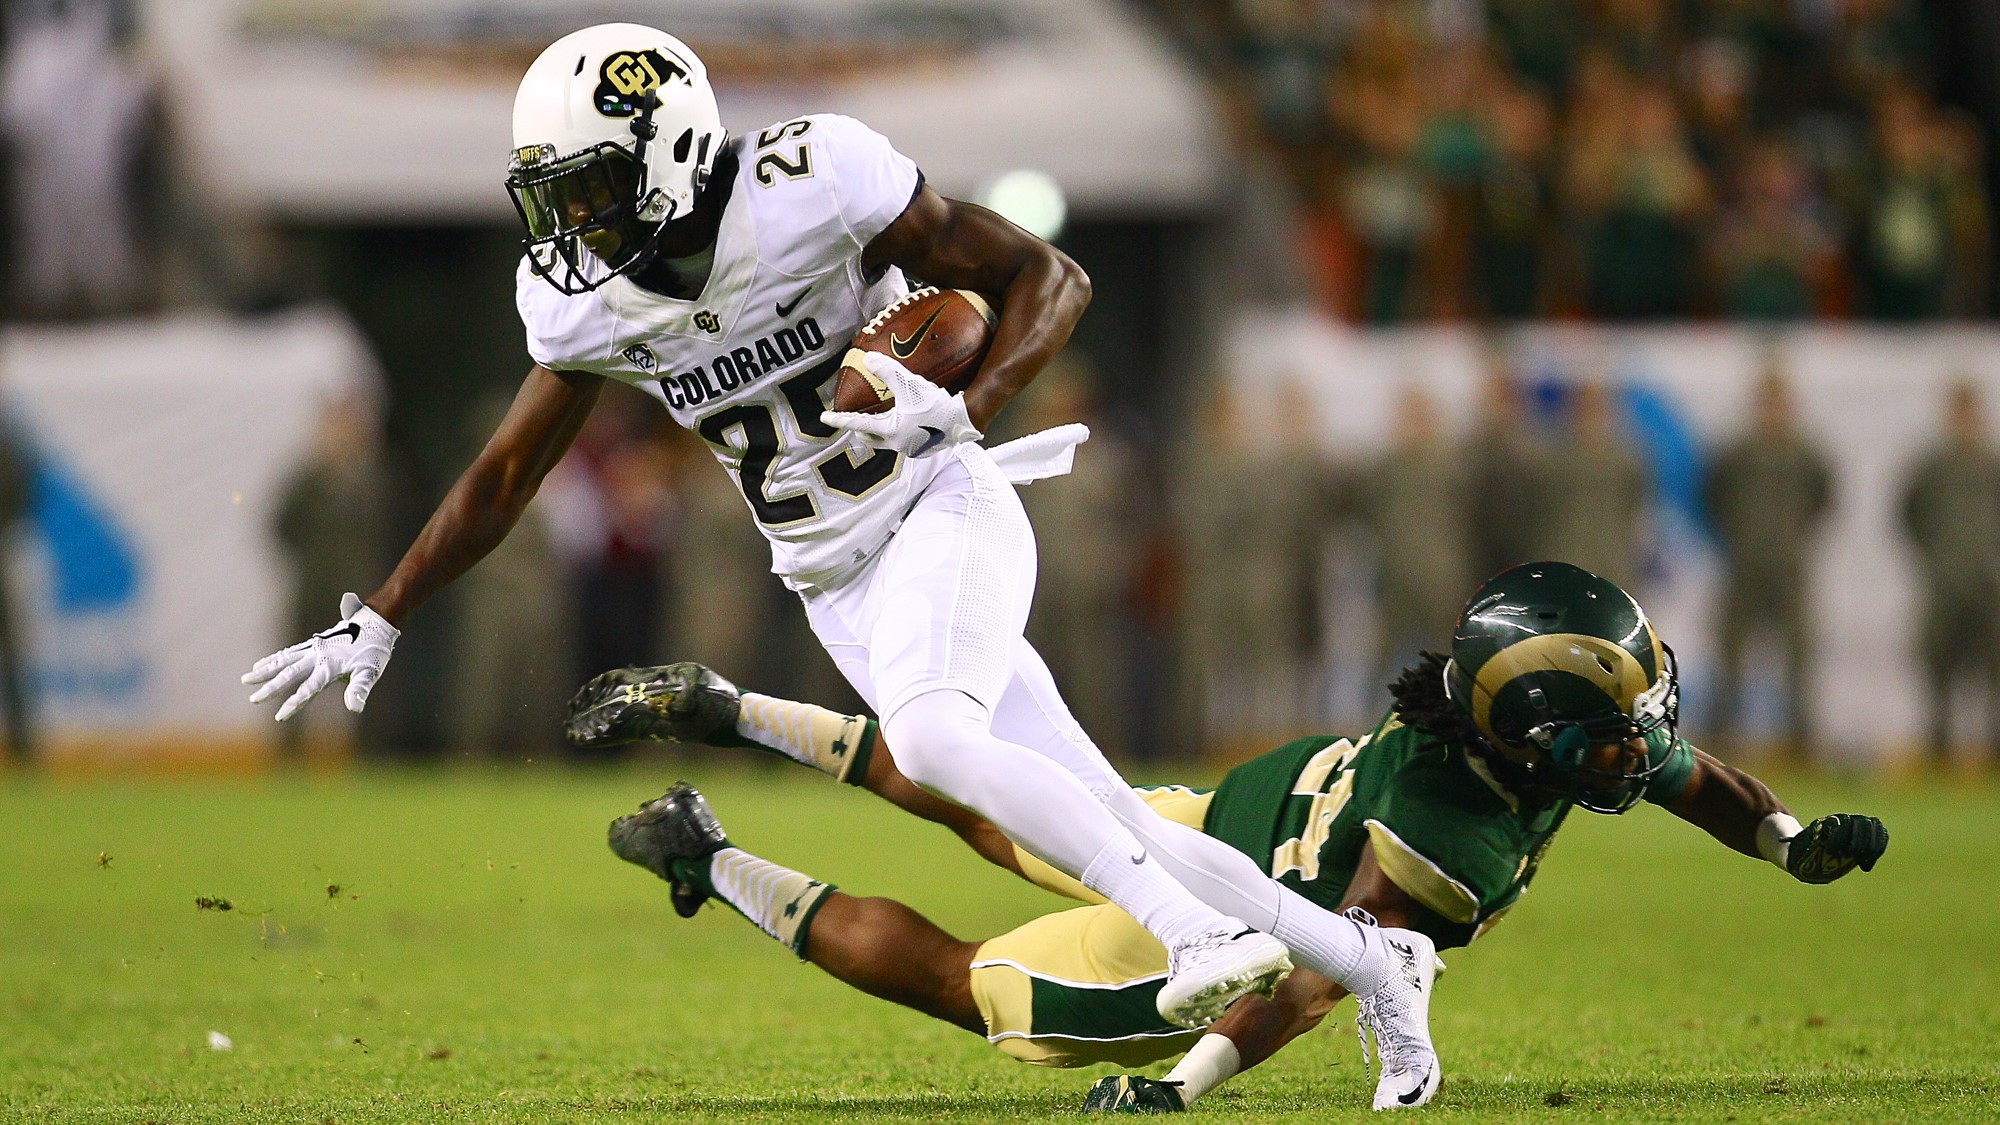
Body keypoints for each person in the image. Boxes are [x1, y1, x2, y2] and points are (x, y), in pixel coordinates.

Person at [239, 23, 1439, 1102]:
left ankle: (1191, 935)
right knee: (1112, 813)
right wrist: (385, 611)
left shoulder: (812, 179)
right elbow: (505, 475)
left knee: (932, 742)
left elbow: (1046, 279)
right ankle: (1371, 961)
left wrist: (967, 408)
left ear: (666, 153)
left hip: (939, 505)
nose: (577, 223)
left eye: (596, 187)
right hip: (830, 578)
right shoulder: (585, 304)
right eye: (558, 196)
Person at [575, 562, 1888, 1113]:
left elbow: (1681, 770)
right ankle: (708, 854)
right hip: (1220, 934)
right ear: (1527, 740)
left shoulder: (1482, 726)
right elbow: (1318, 979)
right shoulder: (1446, 834)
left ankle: (737, 711)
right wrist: (1186, 1082)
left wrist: (1780, 839)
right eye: (1609, 731)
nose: (1640, 742)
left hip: (1202, 824)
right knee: (967, 982)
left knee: (983, 791)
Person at [1702, 362, 1833, 756]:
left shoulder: (1807, 453)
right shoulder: (1736, 453)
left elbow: (1823, 500)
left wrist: (1793, 538)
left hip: (1789, 567)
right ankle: (1724, 739)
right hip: (1743, 564)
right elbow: (1713, 498)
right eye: (1766, 400)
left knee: (1797, 653)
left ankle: (1800, 740)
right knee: (1731, 652)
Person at [1899, 380, 2000, 762]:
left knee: (1992, 666)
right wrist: (1933, 555)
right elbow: (1909, 514)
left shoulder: (1992, 464)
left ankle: (1994, 747)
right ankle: (1938, 744)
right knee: (1939, 663)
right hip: (1943, 580)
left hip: (1987, 582)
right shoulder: (1931, 465)